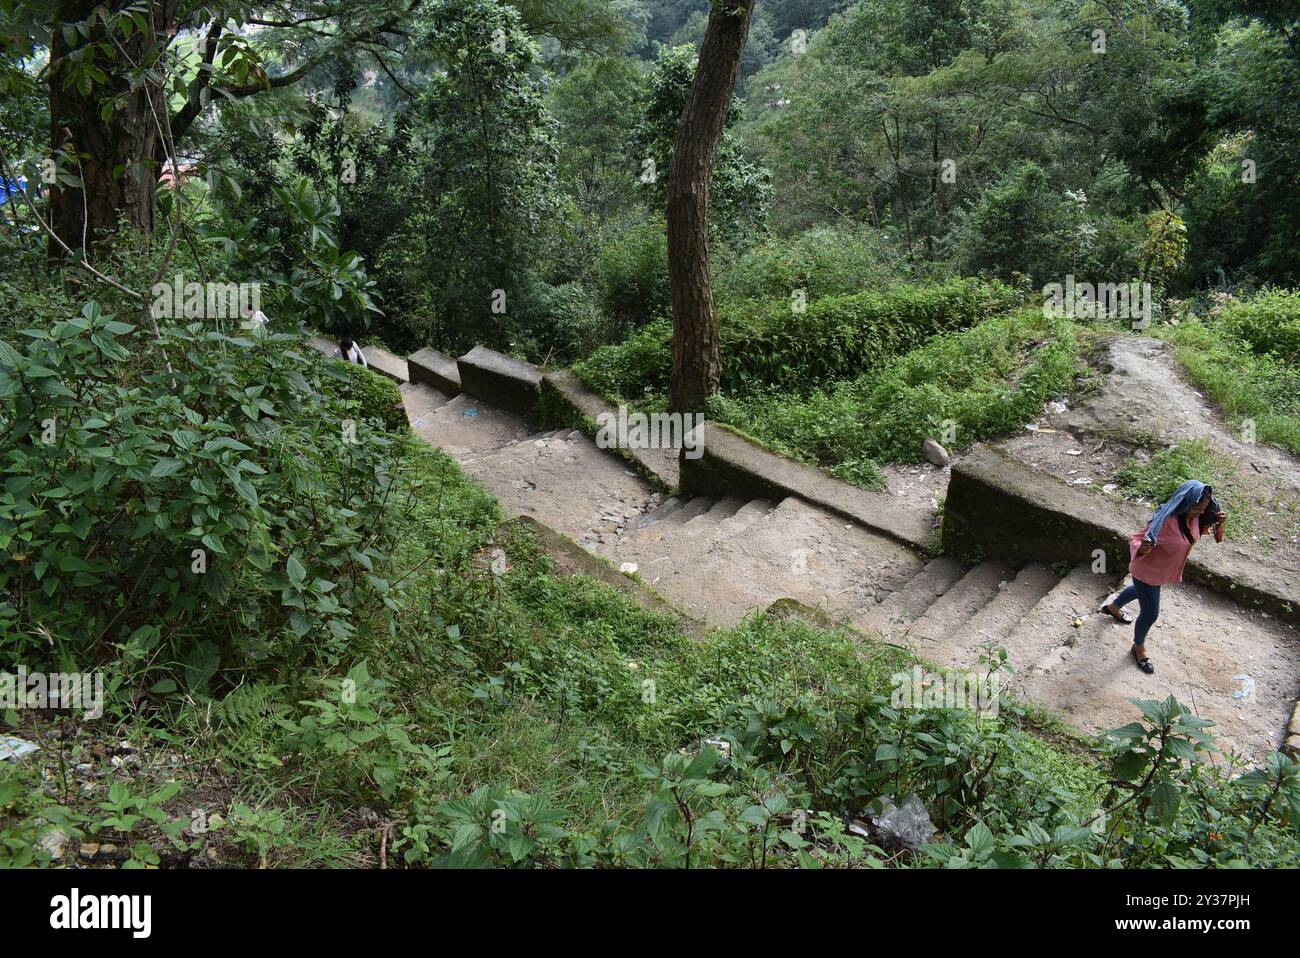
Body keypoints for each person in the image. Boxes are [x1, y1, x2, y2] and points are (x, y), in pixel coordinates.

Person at [1099, 480, 1226, 674]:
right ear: (1185, 504)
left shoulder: (1194, 518)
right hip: (1147, 572)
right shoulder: (1164, 521)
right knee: (1150, 613)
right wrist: (1141, 547)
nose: (1201, 513)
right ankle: (1138, 647)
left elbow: (1194, 531)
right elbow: (1137, 538)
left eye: (1204, 509)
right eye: (1198, 509)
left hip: (1161, 571)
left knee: (1140, 592)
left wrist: (1217, 521)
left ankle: (1114, 607)